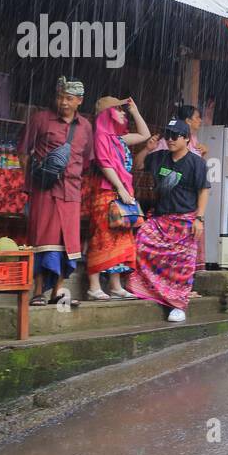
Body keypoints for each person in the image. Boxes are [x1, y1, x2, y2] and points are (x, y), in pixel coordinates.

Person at [20, 76, 94, 307]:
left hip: (71, 191)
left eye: (69, 98)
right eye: (60, 97)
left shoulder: (85, 127)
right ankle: (38, 291)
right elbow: (24, 152)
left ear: (79, 101)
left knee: (68, 243)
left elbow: (86, 160)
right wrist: (34, 181)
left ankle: (58, 291)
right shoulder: (40, 119)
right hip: (45, 190)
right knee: (43, 240)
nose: (63, 102)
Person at [128, 119, 210, 322]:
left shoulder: (196, 163)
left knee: (181, 266)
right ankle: (152, 290)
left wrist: (199, 218)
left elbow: (204, 191)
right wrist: (147, 149)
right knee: (142, 240)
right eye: (168, 135)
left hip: (185, 220)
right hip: (160, 219)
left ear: (186, 139)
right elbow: (137, 164)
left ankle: (178, 304)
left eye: (175, 136)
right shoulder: (159, 157)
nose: (170, 140)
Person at [84, 96, 150, 300]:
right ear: (107, 113)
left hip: (122, 195)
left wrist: (135, 111)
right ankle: (94, 286)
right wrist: (120, 187)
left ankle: (115, 284)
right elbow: (105, 163)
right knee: (102, 237)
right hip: (107, 193)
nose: (123, 113)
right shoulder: (100, 136)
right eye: (119, 110)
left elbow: (144, 134)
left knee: (120, 238)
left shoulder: (118, 139)